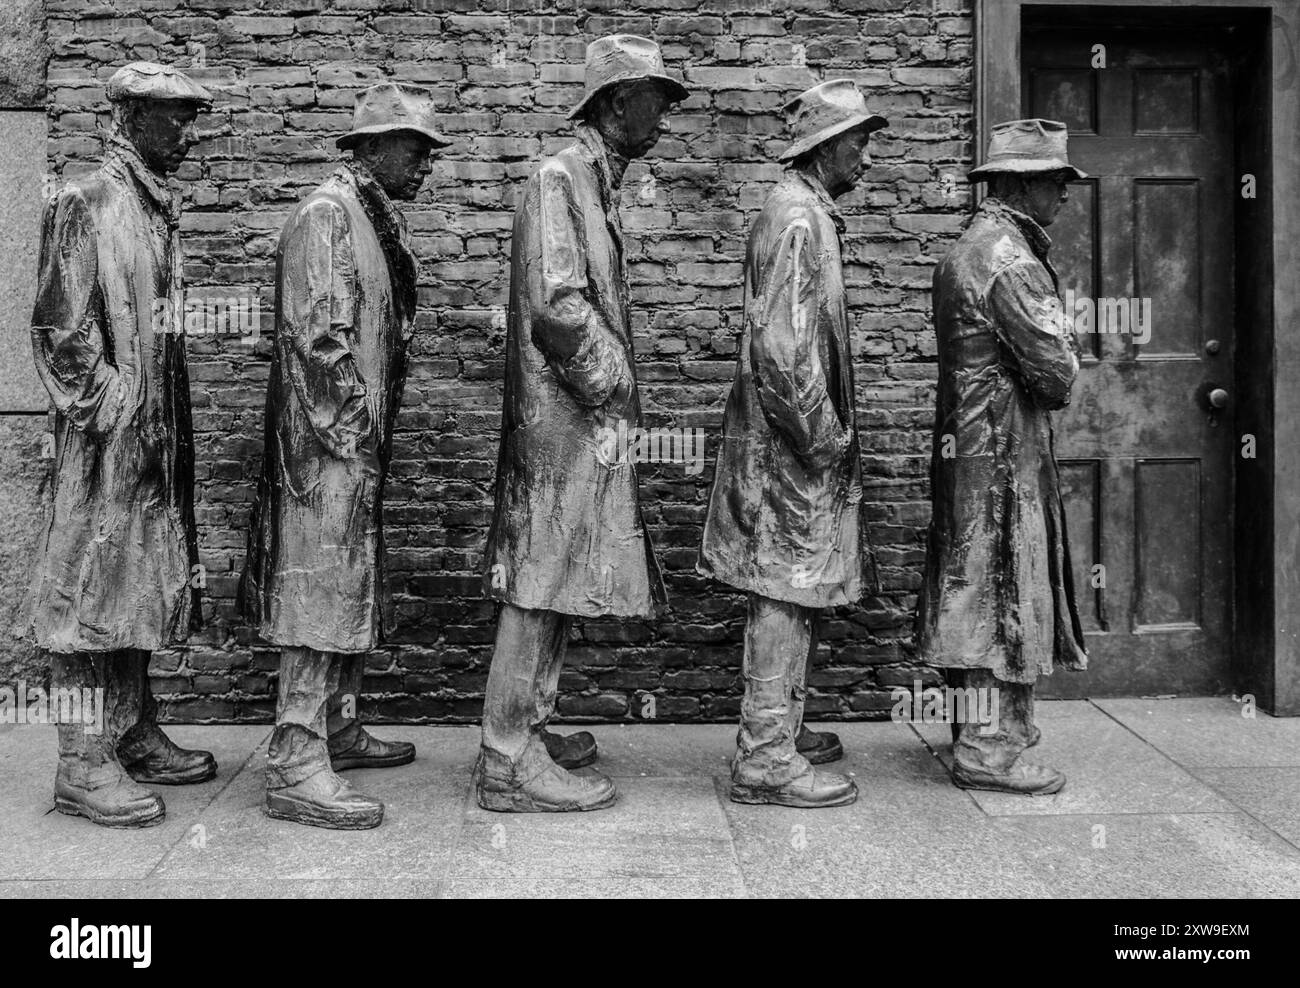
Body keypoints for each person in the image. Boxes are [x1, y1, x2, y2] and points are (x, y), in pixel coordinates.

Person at [477, 35, 687, 812]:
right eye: (655, 99)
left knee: (559, 577)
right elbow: (558, 307)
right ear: (614, 102)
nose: (663, 116)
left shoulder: (593, 183)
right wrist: (617, 385)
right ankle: (505, 754)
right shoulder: (557, 179)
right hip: (562, 424)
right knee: (539, 579)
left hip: (581, 424)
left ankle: (528, 723)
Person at [239, 83, 450, 829]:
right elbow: (318, 342)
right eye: (415, 148)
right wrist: (356, 433)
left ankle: (336, 722)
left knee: (346, 585)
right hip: (327, 451)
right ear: (370, 148)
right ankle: (296, 761)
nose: (426, 163)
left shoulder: (364, 214)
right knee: (317, 592)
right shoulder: (327, 216)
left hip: (350, 448)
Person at [27, 62, 217, 828]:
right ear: (133, 118)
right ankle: (80, 760)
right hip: (103, 443)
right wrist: (116, 409)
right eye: (174, 118)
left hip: (151, 439)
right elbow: (60, 330)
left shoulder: (151, 207)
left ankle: (132, 729)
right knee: (82, 588)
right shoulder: (86, 199)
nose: (186, 132)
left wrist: (154, 420)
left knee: (139, 578)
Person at [699, 80, 886, 808]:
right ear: (824, 146)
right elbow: (783, 348)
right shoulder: (798, 218)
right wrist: (825, 438)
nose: (867, 157)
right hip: (791, 449)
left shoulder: (805, 213)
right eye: (859, 141)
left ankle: (783, 727)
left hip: (790, 445)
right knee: (783, 587)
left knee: (794, 586)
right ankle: (765, 754)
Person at [916, 118, 1089, 795]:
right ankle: (990, 751)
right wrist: (1069, 337)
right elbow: (1058, 376)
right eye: (1055, 182)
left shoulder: (973, 247)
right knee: (1000, 592)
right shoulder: (1010, 261)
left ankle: (976, 734)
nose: (1065, 196)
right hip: (999, 458)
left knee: (972, 585)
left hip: (975, 448)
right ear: (1021, 185)